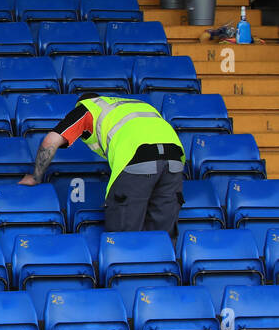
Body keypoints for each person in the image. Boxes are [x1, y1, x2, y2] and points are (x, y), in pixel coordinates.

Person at [19, 93, 184, 235]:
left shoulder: (89, 107)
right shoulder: (137, 105)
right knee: (163, 236)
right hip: (175, 157)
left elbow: (50, 141)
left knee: (124, 234)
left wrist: (36, 176)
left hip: (138, 155)